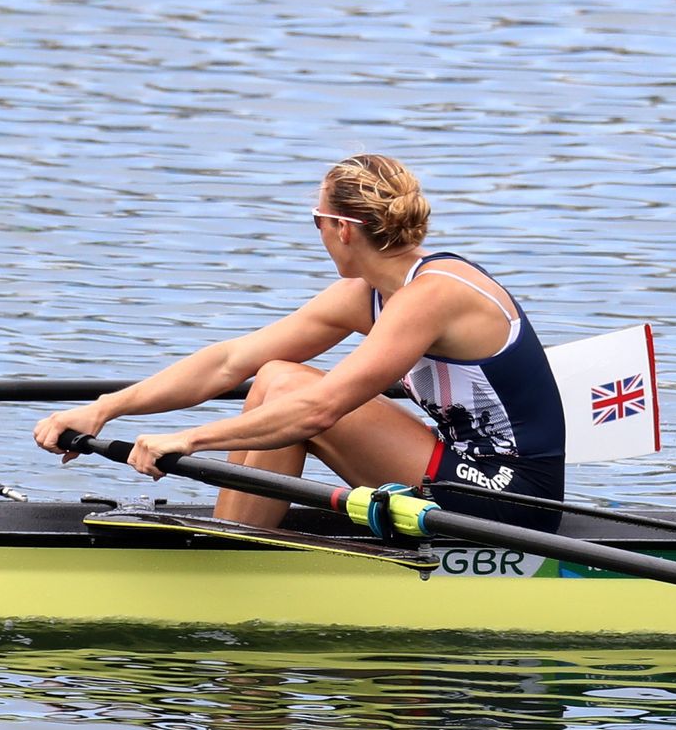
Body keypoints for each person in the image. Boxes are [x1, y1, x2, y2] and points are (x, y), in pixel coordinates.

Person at [32, 153, 565, 529]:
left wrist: (188, 440)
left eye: (316, 221)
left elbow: (319, 411)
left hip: (511, 497)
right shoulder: (366, 294)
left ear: (342, 229)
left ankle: (235, 571)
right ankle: (236, 538)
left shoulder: (432, 295)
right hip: (456, 466)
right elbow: (228, 363)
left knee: (293, 395)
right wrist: (106, 409)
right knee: (275, 375)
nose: (317, 233)